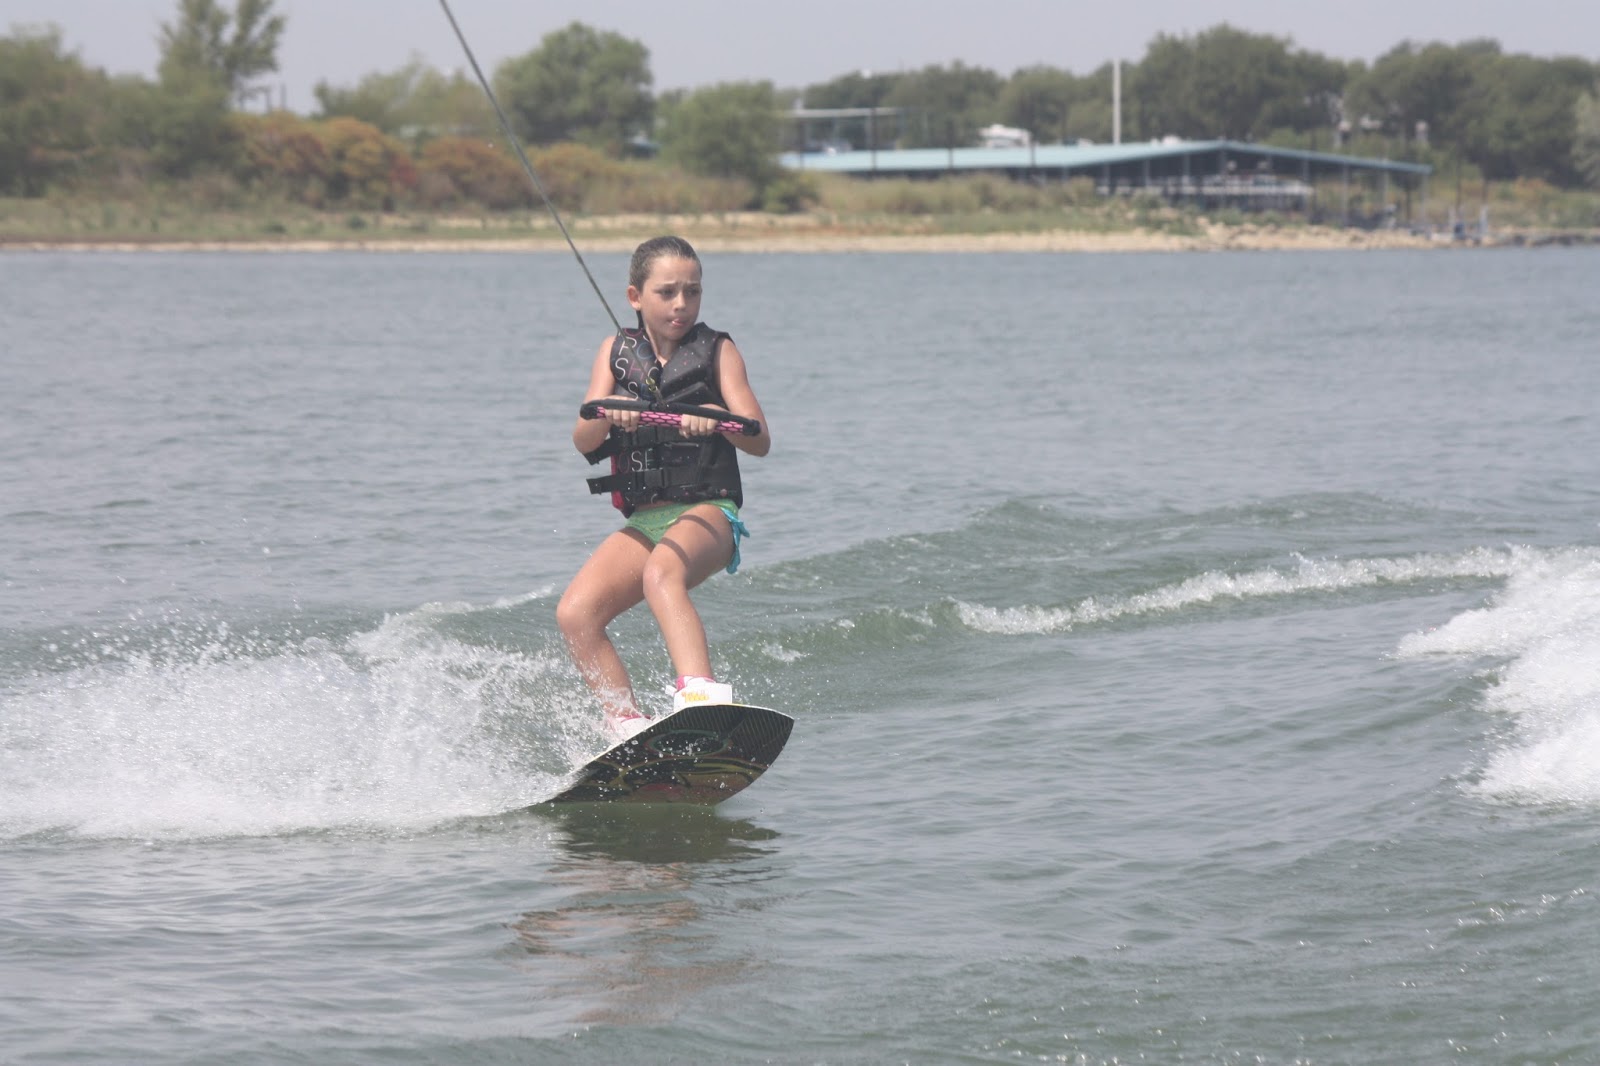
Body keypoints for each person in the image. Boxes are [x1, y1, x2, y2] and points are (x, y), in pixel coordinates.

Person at [556, 236, 772, 742]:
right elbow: (583, 438)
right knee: (576, 613)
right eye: (667, 292)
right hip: (646, 520)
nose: (681, 304)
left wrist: (718, 417)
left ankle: (701, 695)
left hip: (709, 511)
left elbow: (760, 440)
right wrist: (610, 410)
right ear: (635, 296)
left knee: (662, 573)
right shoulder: (614, 352)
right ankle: (627, 725)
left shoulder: (718, 350)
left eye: (692, 292)